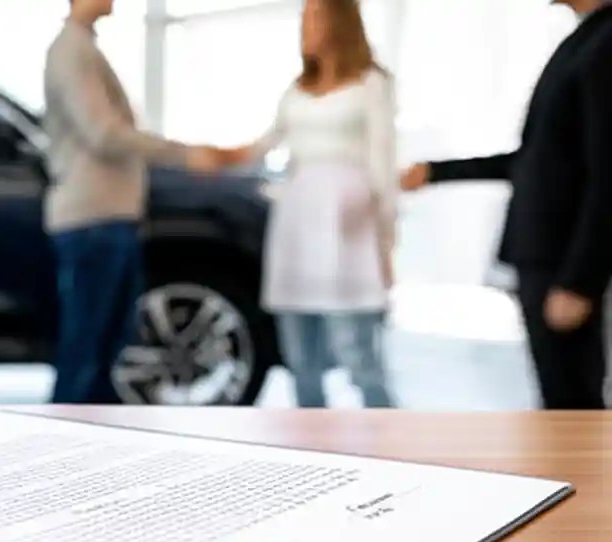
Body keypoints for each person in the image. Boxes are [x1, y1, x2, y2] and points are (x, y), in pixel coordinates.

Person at [401, 0, 612, 410]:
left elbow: (608, 178)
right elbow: (538, 158)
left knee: (572, 404)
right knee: (558, 398)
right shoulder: (584, 39)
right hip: (544, 252)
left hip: (562, 258)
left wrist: (580, 281)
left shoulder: (605, 44)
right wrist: (437, 172)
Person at [208, 0, 399, 408]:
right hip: (298, 221)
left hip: (349, 228)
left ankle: (393, 440)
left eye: (316, 18)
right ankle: (313, 444)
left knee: (358, 353)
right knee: (299, 356)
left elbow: (383, 164)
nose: (307, 28)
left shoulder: (371, 84)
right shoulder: (296, 90)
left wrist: (386, 241)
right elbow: (263, 145)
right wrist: (209, 158)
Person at [43, 0, 218, 404]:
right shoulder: (71, 51)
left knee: (106, 349)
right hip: (92, 222)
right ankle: (60, 450)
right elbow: (105, 133)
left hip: (108, 220)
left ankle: (96, 450)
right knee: (85, 353)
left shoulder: (85, 48)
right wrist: (183, 153)